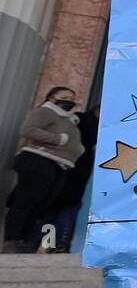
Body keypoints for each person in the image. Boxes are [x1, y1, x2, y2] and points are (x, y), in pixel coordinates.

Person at [2, 86, 84, 253]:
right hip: (38, 160)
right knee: (27, 201)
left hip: (59, 165)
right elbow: (28, 130)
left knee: (41, 204)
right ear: (52, 98)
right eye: (64, 96)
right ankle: (12, 239)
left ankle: (25, 241)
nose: (69, 100)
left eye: (72, 97)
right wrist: (57, 139)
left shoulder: (69, 119)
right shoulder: (45, 112)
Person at [45, 104, 99, 252]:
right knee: (59, 208)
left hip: (72, 172)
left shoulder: (82, 121)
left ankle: (56, 244)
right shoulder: (80, 121)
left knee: (62, 208)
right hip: (67, 169)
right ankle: (55, 244)